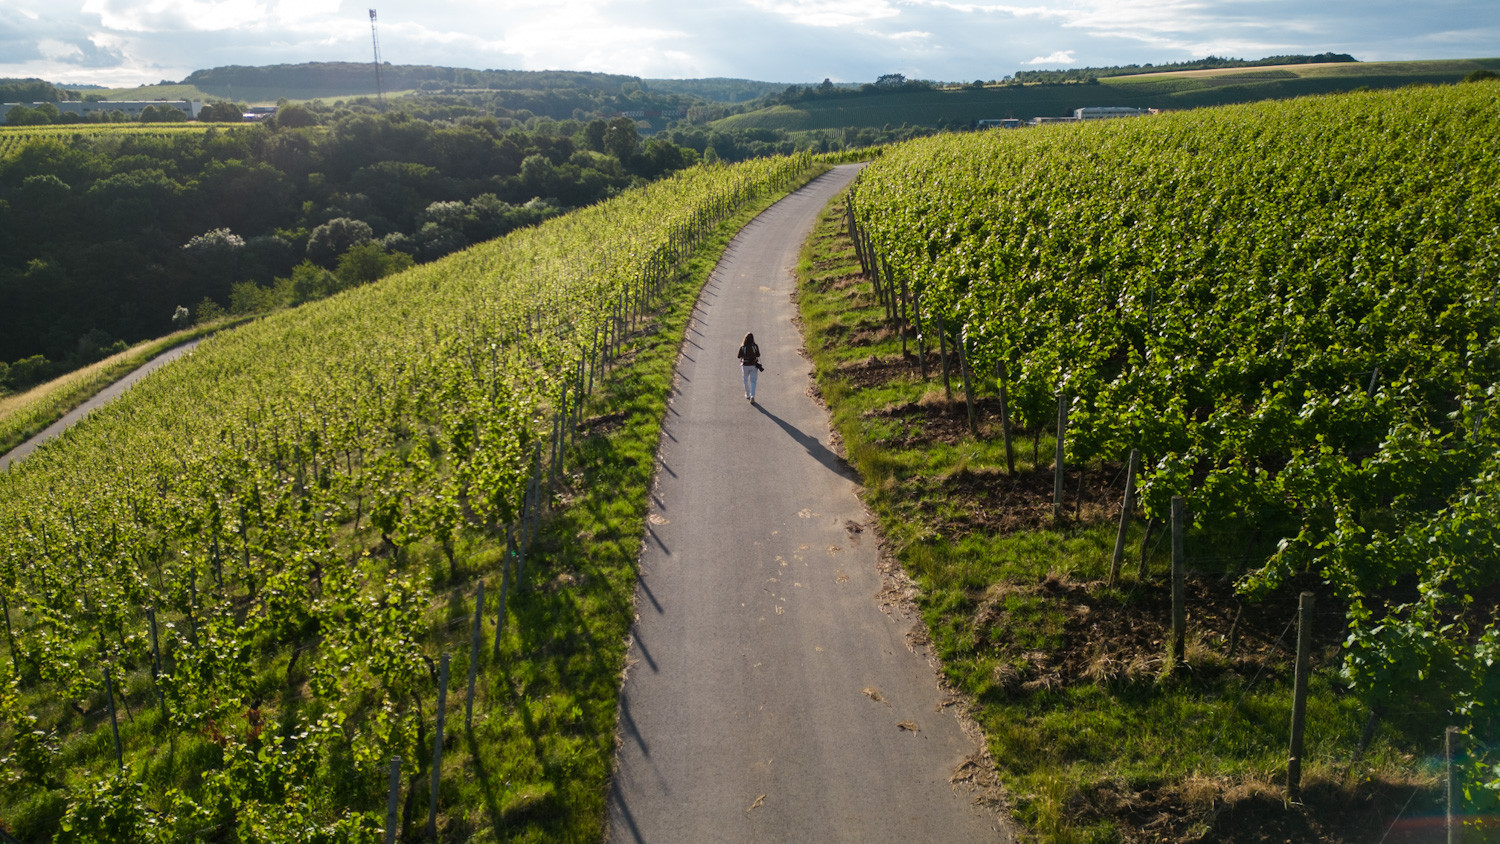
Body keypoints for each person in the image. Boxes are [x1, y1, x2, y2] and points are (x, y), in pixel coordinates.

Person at [737, 332, 762, 402]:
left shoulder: (743, 347)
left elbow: (738, 356)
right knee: (753, 381)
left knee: (745, 380)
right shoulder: (755, 346)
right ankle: (752, 395)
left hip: (745, 365)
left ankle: (747, 394)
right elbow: (758, 355)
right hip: (753, 365)